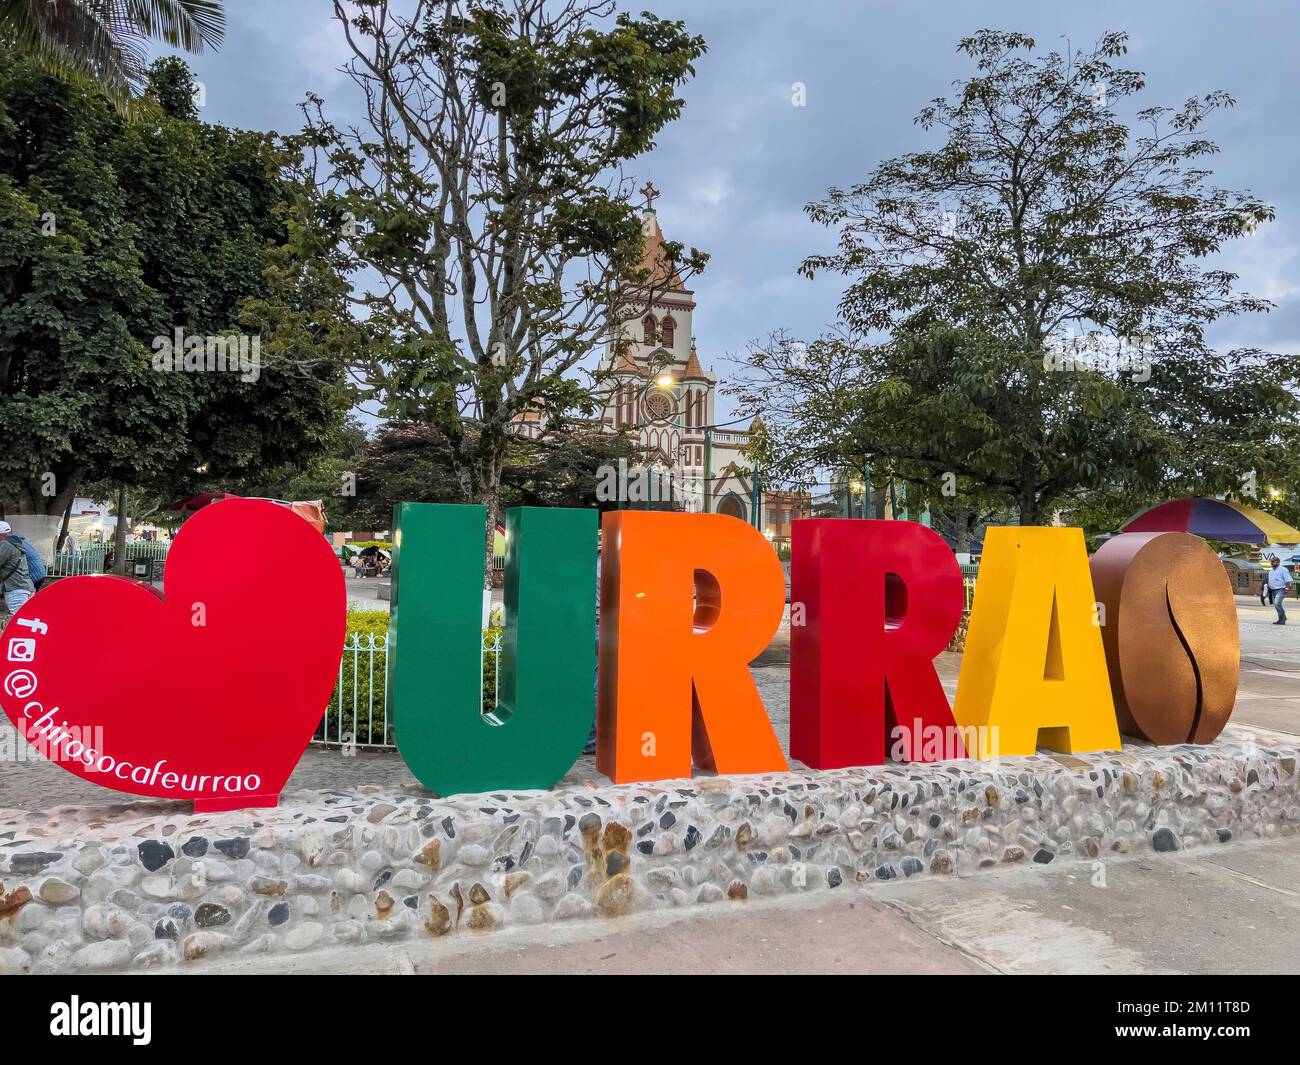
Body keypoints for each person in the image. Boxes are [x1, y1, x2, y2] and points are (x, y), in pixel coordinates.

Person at [0, 521, 36, 615]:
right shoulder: (16, 543)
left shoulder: (5, 544)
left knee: (20, 621)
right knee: (27, 620)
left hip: (16, 589)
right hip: (26, 587)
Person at [1267, 556, 1294, 625]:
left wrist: (1287, 588)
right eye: (1273, 562)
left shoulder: (1283, 569)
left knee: (1277, 603)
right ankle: (1281, 619)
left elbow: (1288, 580)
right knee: (1277, 605)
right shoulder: (1271, 571)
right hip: (1273, 590)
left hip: (1281, 589)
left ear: (1279, 562)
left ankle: (1282, 618)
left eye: (1276, 561)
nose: (1274, 563)